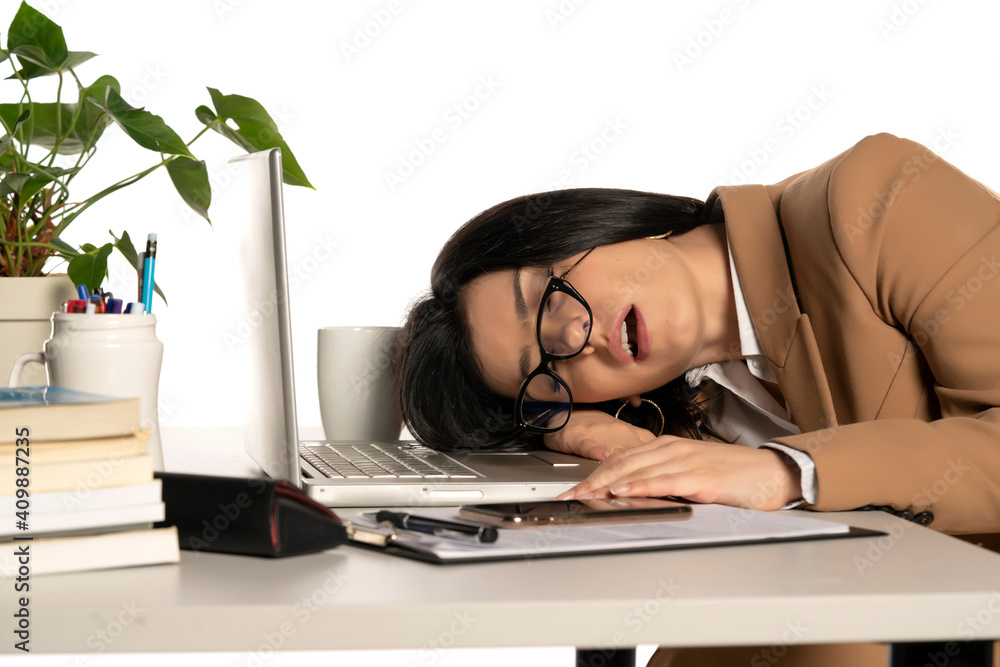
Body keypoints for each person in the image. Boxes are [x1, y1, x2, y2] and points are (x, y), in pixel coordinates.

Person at [396, 133, 1000, 666]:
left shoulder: (873, 196)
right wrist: (569, 428)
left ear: (593, 226)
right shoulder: (687, 411)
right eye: (546, 372)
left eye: (550, 298)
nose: (576, 337)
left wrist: (786, 471)